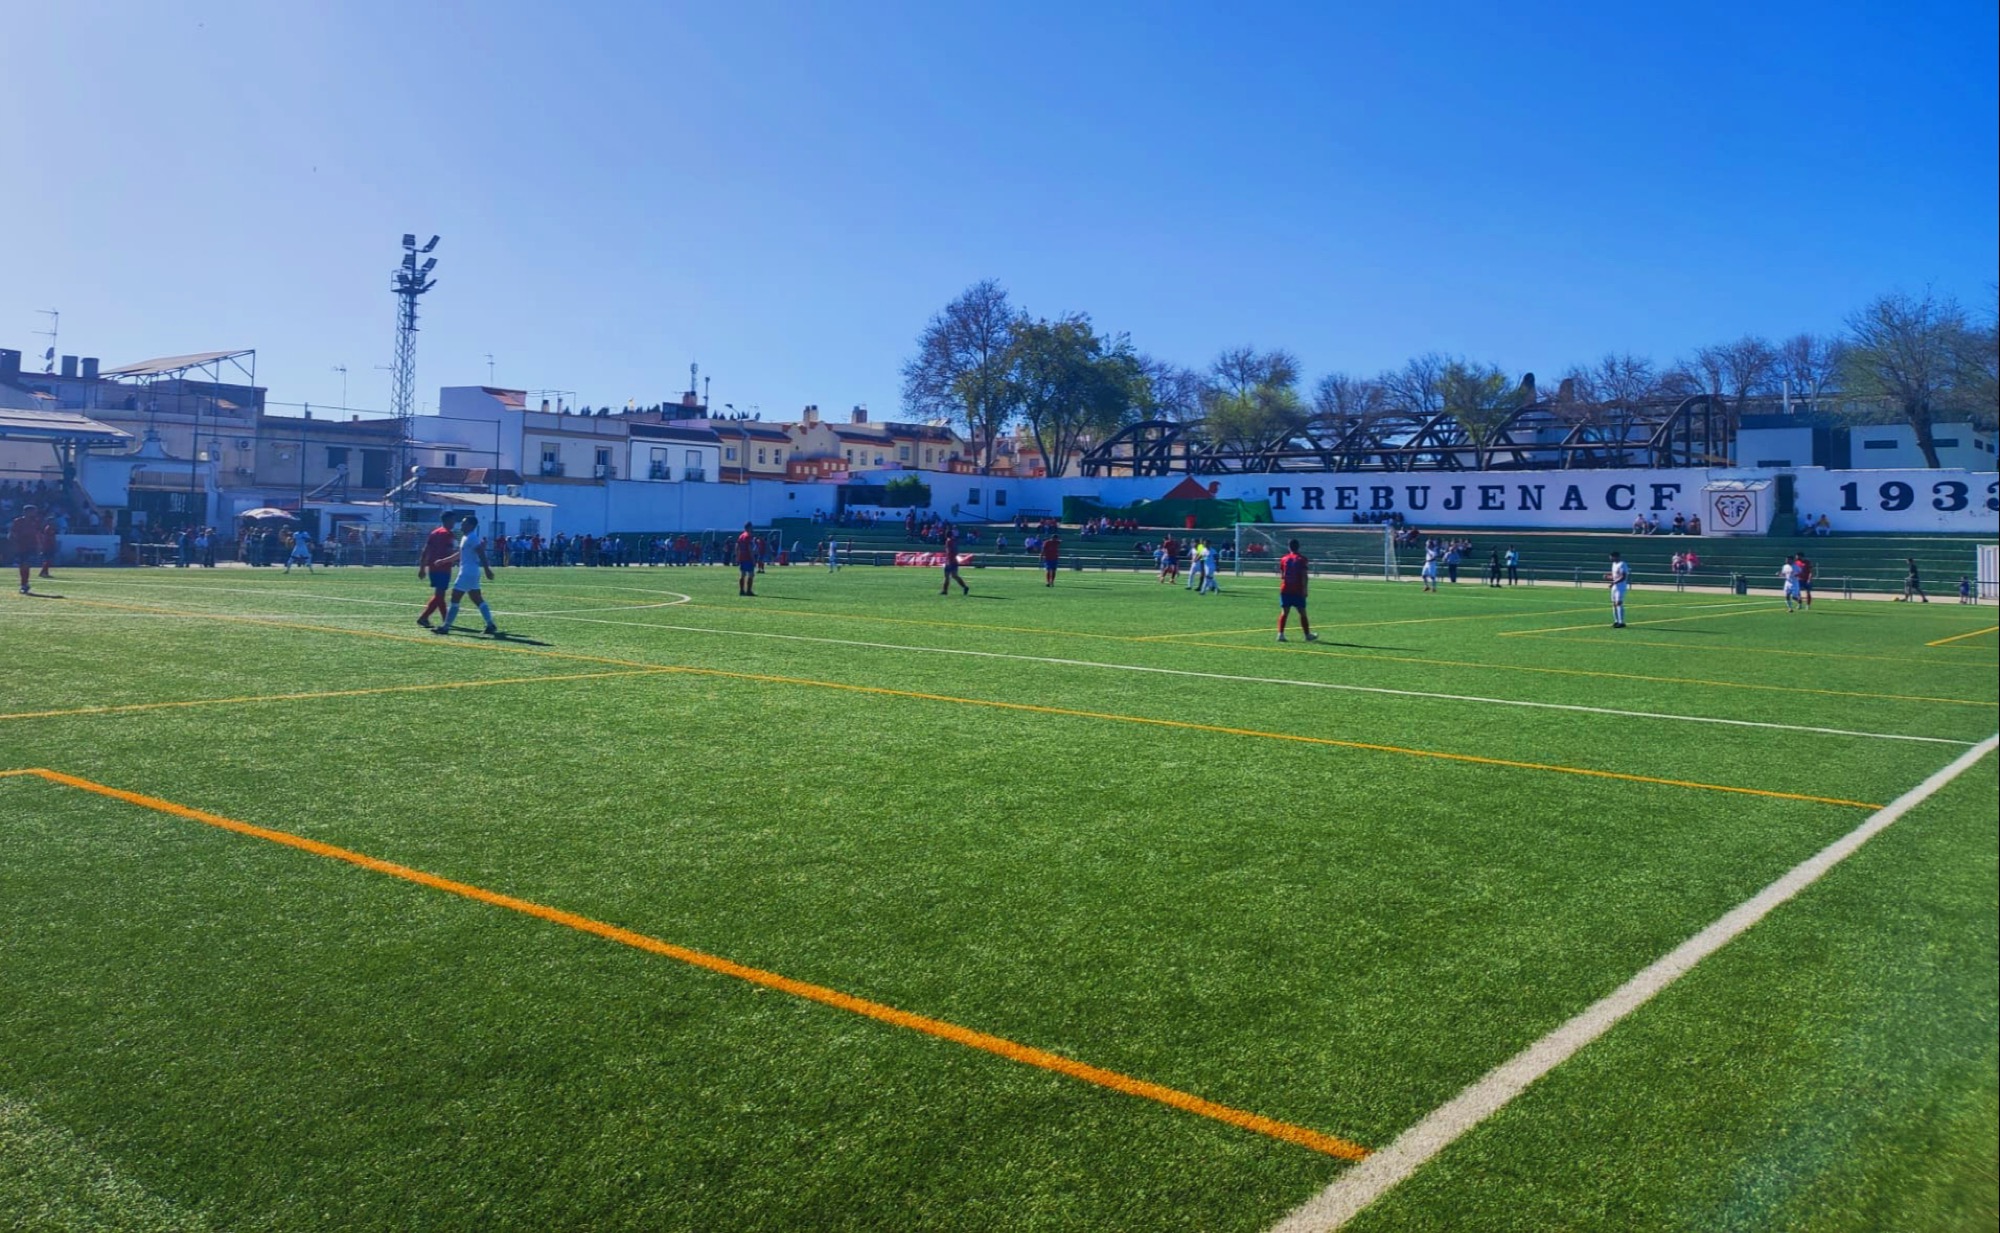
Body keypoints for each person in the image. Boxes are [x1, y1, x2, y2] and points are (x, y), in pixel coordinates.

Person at [434, 515, 501, 636]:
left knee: (455, 597)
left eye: (464, 523)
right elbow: (460, 554)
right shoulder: (466, 537)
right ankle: (490, 624)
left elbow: (481, 553)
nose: (461, 525)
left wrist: (487, 569)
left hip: (467, 572)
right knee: (477, 599)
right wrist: (443, 561)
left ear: (471, 525)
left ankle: (445, 627)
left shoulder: (472, 537)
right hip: (470, 572)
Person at [417, 511, 459, 628]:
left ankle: (446, 619)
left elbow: (425, 550)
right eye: (452, 520)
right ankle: (423, 618)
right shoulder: (448, 534)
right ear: (447, 520)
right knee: (439, 595)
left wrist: (422, 568)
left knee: (440, 595)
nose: (454, 522)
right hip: (443, 568)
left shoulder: (434, 533)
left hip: (433, 568)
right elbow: (449, 551)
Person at [1275, 539, 1317, 643]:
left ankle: (1280, 634)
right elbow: (1304, 575)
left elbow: (1282, 575)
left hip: (1285, 589)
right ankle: (1307, 635)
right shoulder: (1302, 559)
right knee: (1302, 613)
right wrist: (1305, 589)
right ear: (1299, 546)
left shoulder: (1284, 559)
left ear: (1288, 547)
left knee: (1284, 612)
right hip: (1297, 590)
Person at [9, 503, 41, 594]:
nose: (35, 513)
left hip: (31, 546)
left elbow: (37, 534)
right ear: (26, 512)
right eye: (33, 511)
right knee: (23, 565)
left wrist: (39, 545)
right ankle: (24, 583)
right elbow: (12, 533)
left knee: (26, 564)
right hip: (21, 546)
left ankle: (24, 583)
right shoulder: (18, 521)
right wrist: (14, 543)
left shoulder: (35, 521)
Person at [940, 525, 970, 595]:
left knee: (947, 576)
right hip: (952, 561)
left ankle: (945, 591)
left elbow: (951, 551)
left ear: (946, 535)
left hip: (950, 561)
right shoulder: (953, 541)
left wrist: (950, 559)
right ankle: (964, 587)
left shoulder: (949, 541)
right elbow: (955, 551)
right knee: (954, 576)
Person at [1606, 551, 1629, 628]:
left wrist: (1613, 583)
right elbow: (1615, 576)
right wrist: (1608, 577)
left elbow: (1623, 577)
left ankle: (1621, 622)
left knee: (1619, 603)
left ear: (1616, 556)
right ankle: (1616, 621)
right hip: (1615, 586)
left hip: (1621, 587)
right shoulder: (1613, 564)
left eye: (1611, 557)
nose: (1610, 558)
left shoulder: (1622, 564)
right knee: (1613, 604)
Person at [735, 522, 757, 596]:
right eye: (751, 527)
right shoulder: (748, 536)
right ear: (748, 528)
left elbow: (737, 547)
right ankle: (748, 591)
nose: (752, 528)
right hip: (748, 557)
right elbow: (750, 548)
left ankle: (741, 590)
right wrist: (753, 559)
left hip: (742, 557)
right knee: (751, 574)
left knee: (743, 574)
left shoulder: (741, 536)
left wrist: (737, 557)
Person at [35, 513, 58, 579]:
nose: (53, 522)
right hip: (48, 546)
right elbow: (50, 538)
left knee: (48, 560)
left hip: (48, 546)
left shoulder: (50, 528)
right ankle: (43, 572)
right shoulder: (49, 528)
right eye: (52, 521)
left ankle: (45, 572)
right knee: (48, 560)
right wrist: (53, 544)